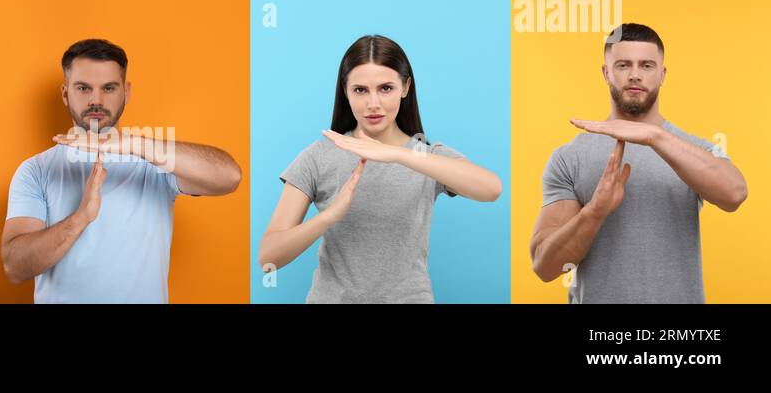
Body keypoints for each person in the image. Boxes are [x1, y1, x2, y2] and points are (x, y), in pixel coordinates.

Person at [258, 35, 502, 304]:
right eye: (360, 90)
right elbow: (269, 256)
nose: (373, 103)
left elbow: (491, 189)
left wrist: (398, 153)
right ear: (345, 91)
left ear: (405, 87)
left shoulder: (425, 156)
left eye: (385, 88)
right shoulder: (319, 156)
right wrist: (328, 217)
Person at [0, 39, 243, 303]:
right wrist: (80, 218)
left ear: (126, 93)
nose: (96, 100)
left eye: (109, 88)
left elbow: (230, 176)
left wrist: (132, 143)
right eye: (83, 88)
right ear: (65, 94)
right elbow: (15, 266)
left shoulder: (154, 162)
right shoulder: (36, 170)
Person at [529, 23, 748, 303]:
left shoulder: (694, 149)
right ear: (606, 72)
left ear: (662, 74)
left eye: (646, 65)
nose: (635, 75)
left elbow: (735, 194)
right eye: (623, 65)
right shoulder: (569, 157)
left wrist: (655, 136)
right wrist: (594, 212)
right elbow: (545, 267)